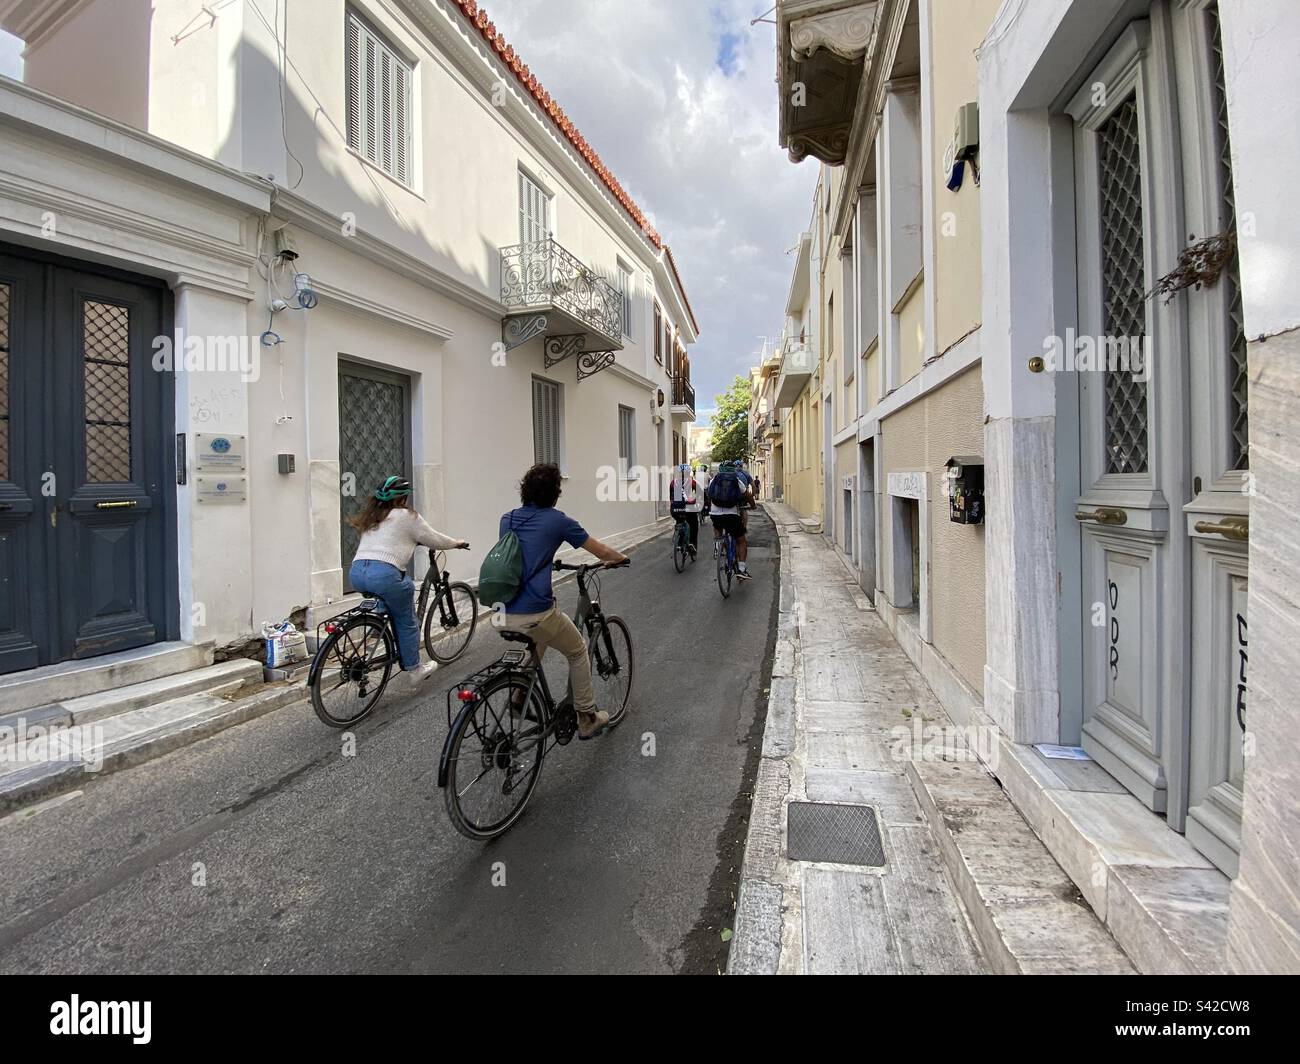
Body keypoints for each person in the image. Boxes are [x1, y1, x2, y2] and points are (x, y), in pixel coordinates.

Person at [497, 464, 629, 740]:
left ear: (525, 491)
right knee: (578, 651)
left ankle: (519, 697)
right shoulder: (558, 521)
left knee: (539, 641)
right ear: (555, 494)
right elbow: (599, 550)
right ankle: (587, 717)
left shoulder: (507, 519)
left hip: (503, 612)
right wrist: (619, 558)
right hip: (536, 612)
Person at [349, 476, 469, 690]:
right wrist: (456, 543)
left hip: (357, 573)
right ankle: (414, 669)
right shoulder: (407, 516)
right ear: (403, 497)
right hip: (384, 575)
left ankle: (381, 626)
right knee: (407, 617)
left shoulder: (373, 517)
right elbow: (433, 538)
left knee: (391, 594)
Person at [707, 460, 754, 580]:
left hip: (715, 514)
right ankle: (742, 570)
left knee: (717, 526)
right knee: (741, 540)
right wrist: (753, 505)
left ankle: (718, 546)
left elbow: (709, 493)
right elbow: (747, 495)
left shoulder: (714, 479)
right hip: (732, 514)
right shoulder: (736, 480)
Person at [669, 463, 702, 556]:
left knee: (679, 521)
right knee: (694, 525)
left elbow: (671, 497)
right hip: (689, 508)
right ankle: (692, 545)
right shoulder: (692, 482)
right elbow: (701, 494)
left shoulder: (673, 482)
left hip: (675, 509)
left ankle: (679, 543)